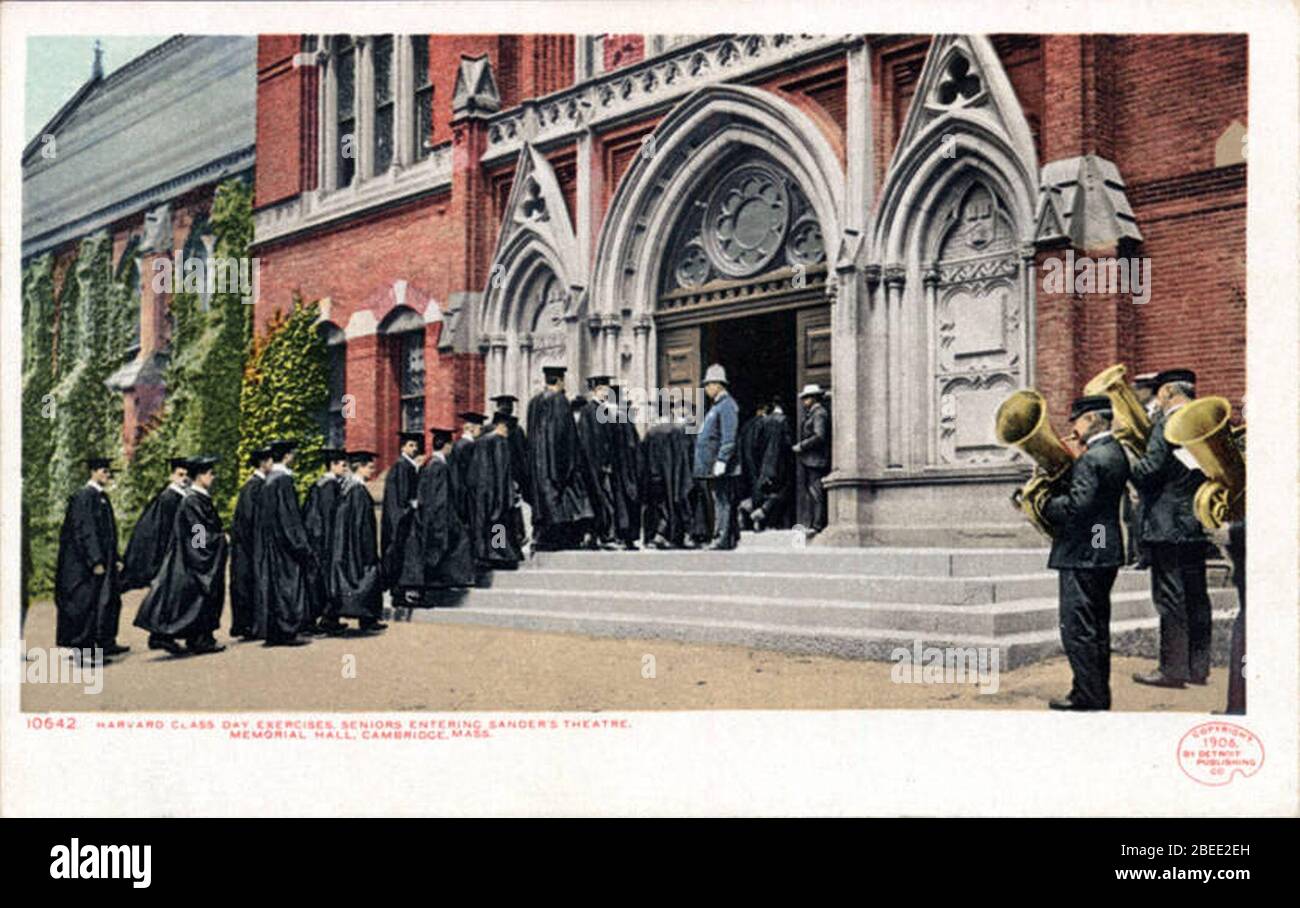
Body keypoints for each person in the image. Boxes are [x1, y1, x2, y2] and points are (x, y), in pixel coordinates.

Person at [1040, 396, 1129, 710]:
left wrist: (1044, 503)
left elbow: (1078, 507)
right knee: (1097, 625)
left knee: (1078, 628)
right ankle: (1093, 692)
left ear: (1092, 419)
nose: (1073, 428)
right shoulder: (1114, 451)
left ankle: (1088, 697)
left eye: (1076, 421)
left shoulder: (1091, 459)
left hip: (1083, 553)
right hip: (1102, 543)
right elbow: (1099, 511)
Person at [1130, 368, 1213, 689]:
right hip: (1194, 519)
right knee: (1196, 594)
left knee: (1170, 597)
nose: (1157, 399)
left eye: (1159, 393)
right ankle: (1197, 667)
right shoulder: (1204, 420)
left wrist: (1130, 466)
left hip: (1166, 523)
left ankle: (1172, 670)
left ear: (1167, 393)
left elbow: (1149, 470)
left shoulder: (1167, 423)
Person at [133, 455, 227, 656]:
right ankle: (190, 638)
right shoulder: (193, 501)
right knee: (191, 600)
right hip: (191, 560)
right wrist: (218, 541)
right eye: (210, 473)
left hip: (189, 557)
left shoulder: (195, 499)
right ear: (200, 476)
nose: (214, 477)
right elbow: (198, 533)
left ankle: (193, 637)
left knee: (184, 600)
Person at [54, 457, 127, 661]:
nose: (108, 475)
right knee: (84, 605)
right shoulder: (85, 496)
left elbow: (108, 532)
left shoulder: (100, 496)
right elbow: (85, 531)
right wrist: (95, 560)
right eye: (104, 471)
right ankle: (83, 652)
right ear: (93, 472)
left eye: (109, 472)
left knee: (107, 601)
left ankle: (105, 642)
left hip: (104, 559)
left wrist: (116, 557)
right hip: (83, 563)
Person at [254, 439, 313, 647]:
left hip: (271, 543)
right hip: (285, 545)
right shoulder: (283, 481)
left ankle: (275, 632)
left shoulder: (269, 480)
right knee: (288, 586)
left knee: (274, 586)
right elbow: (289, 517)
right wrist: (301, 544)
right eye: (292, 453)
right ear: (287, 456)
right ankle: (287, 631)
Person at [526, 365, 593, 551]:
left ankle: (543, 537)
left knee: (544, 501)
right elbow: (566, 435)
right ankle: (562, 538)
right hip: (557, 463)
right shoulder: (560, 401)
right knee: (564, 499)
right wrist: (572, 461)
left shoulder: (533, 402)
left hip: (539, 464)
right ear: (559, 380)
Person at [323, 450, 386, 634]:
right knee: (365, 577)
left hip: (344, 543)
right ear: (359, 467)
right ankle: (367, 619)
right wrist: (368, 549)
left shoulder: (346, 487)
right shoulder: (358, 491)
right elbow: (361, 524)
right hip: (356, 544)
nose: (372, 472)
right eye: (370, 467)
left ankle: (335, 618)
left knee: (344, 580)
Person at [120, 457, 190, 591]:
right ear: (171, 476)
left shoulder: (186, 498)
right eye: (180, 475)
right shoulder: (169, 499)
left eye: (188, 475)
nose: (185, 479)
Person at [421, 428, 476, 591]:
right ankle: (456, 579)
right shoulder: (440, 466)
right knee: (461, 540)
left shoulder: (429, 463)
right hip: (442, 515)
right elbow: (441, 498)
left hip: (431, 515)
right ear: (446, 446)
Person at [693, 364, 741, 550]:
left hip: (720, 464)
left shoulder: (727, 405)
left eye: (708, 385)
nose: (706, 389)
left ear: (718, 385)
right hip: (712, 464)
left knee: (722, 501)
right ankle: (727, 538)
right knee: (720, 500)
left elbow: (729, 436)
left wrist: (722, 459)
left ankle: (722, 538)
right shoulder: (718, 406)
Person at [469, 412, 524, 570]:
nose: (508, 431)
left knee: (492, 524)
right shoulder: (498, 442)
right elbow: (500, 472)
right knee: (498, 523)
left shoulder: (483, 441)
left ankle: (492, 554)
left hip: (485, 491)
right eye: (507, 427)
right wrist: (504, 493)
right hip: (496, 491)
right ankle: (498, 555)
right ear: (500, 426)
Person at [301, 448, 347, 635]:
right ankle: (325, 619)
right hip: (324, 541)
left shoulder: (319, 484)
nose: (345, 468)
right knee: (324, 580)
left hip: (315, 538)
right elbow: (329, 517)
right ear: (333, 465)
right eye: (343, 465)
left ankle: (323, 618)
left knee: (318, 581)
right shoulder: (329, 486)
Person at [640, 397, 694, 549]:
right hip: (674, 475)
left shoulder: (651, 432)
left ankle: (656, 535)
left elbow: (643, 457)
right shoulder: (677, 430)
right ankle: (671, 535)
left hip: (654, 476)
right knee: (673, 504)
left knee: (657, 506)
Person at [229, 447, 270, 640]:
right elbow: (249, 520)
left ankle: (251, 624)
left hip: (247, 545)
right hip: (249, 546)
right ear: (263, 463)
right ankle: (250, 626)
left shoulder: (252, 486)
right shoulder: (255, 487)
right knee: (249, 584)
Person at [381, 431, 425, 594]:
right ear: (402, 448)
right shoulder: (402, 466)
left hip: (404, 517)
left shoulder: (407, 466)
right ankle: (400, 592)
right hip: (403, 518)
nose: (414, 449)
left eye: (416, 445)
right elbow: (401, 497)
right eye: (410, 445)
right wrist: (412, 506)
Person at [576, 375, 616, 548]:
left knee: (600, 499)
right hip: (594, 465)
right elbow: (587, 441)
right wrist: (599, 464)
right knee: (599, 498)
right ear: (595, 391)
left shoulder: (601, 410)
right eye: (603, 390)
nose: (606, 393)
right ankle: (600, 535)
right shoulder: (589, 410)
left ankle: (597, 534)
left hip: (599, 464)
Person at [1126, 372, 1161, 569]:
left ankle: (1143, 556)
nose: (1135, 393)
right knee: (1132, 518)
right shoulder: (1143, 412)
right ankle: (1137, 556)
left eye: (1138, 389)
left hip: (1151, 472)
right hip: (1140, 472)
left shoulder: (1158, 413)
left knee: (1144, 516)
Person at [793, 383, 831, 537]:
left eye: (806, 398)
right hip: (811, 459)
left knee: (816, 492)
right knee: (813, 491)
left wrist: (802, 446)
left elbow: (819, 436)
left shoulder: (819, 413)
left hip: (816, 459)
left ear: (814, 398)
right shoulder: (813, 413)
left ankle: (817, 525)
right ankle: (813, 523)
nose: (803, 401)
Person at [751, 396, 795, 531]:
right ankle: (769, 517)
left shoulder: (763, 421)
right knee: (783, 491)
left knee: (766, 491)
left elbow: (756, 444)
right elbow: (788, 444)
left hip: (764, 463)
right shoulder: (784, 421)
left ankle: (764, 519)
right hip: (780, 463)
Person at [607, 384, 642, 551]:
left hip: (618, 466)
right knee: (625, 501)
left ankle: (621, 535)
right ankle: (626, 536)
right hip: (625, 466)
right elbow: (632, 444)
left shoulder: (613, 417)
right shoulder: (621, 418)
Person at [449, 412, 486, 525]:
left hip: (457, 491)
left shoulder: (457, 444)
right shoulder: (469, 446)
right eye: (480, 428)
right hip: (467, 494)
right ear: (472, 428)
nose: (481, 431)